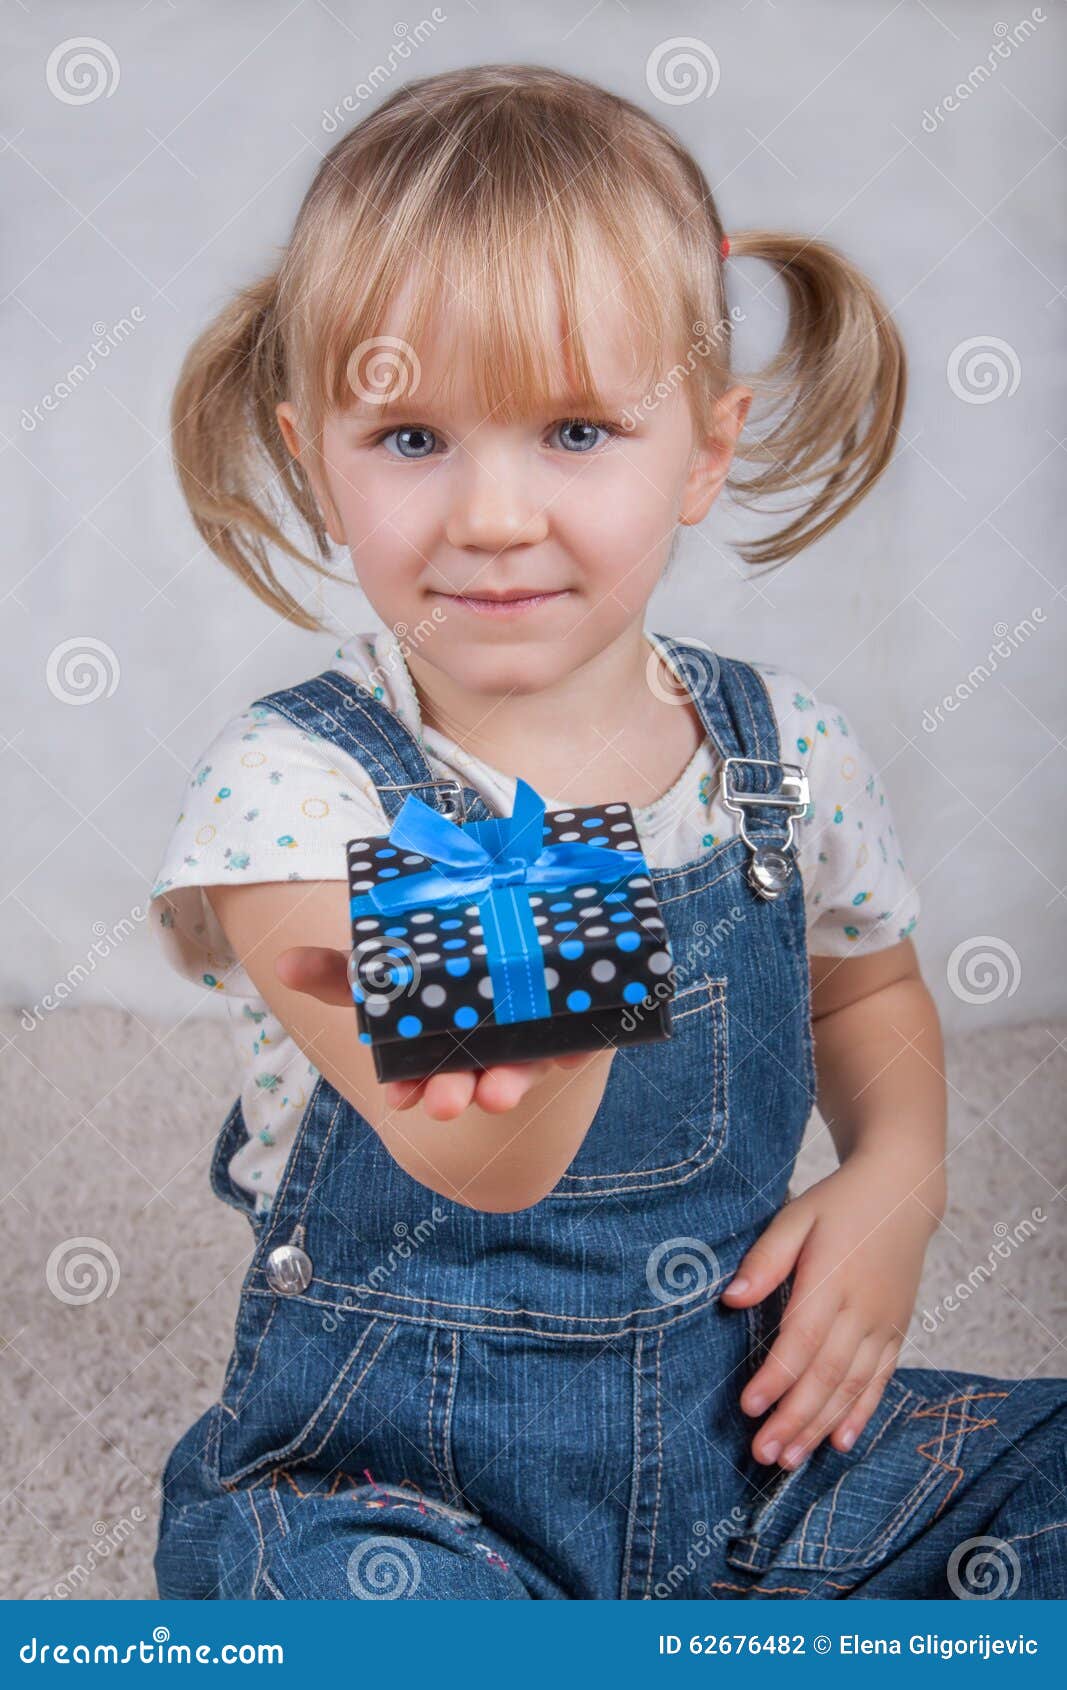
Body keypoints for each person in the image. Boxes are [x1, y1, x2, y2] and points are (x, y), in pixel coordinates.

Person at [150, 64, 1066, 1601]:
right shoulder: (295, 795)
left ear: (705, 448)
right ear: (317, 459)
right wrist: (561, 1007)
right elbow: (485, 1151)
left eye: (576, 429)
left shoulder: (779, 756)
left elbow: (867, 986)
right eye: (414, 439)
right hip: (402, 1500)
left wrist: (900, 1178)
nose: (496, 513)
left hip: (765, 1454)